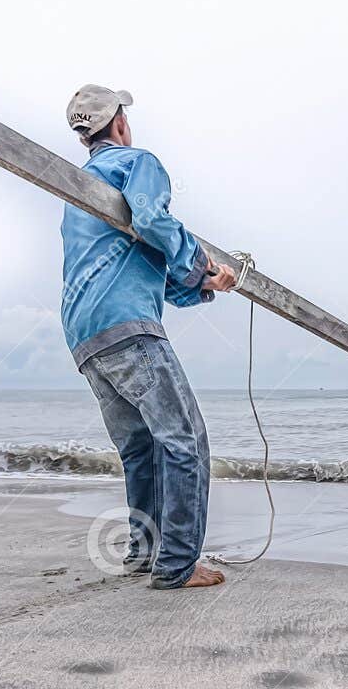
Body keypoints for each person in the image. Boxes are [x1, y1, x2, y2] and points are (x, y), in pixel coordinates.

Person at [60, 85, 237, 588]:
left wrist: (200, 284)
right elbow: (153, 217)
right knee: (185, 441)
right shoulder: (137, 162)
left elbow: (147, 261)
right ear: (119, 124)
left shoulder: (81, 191)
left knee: (140, 448)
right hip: (127, 325)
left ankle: (144, 554)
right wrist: (203, 263)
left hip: (84, 333)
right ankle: (178, 566)